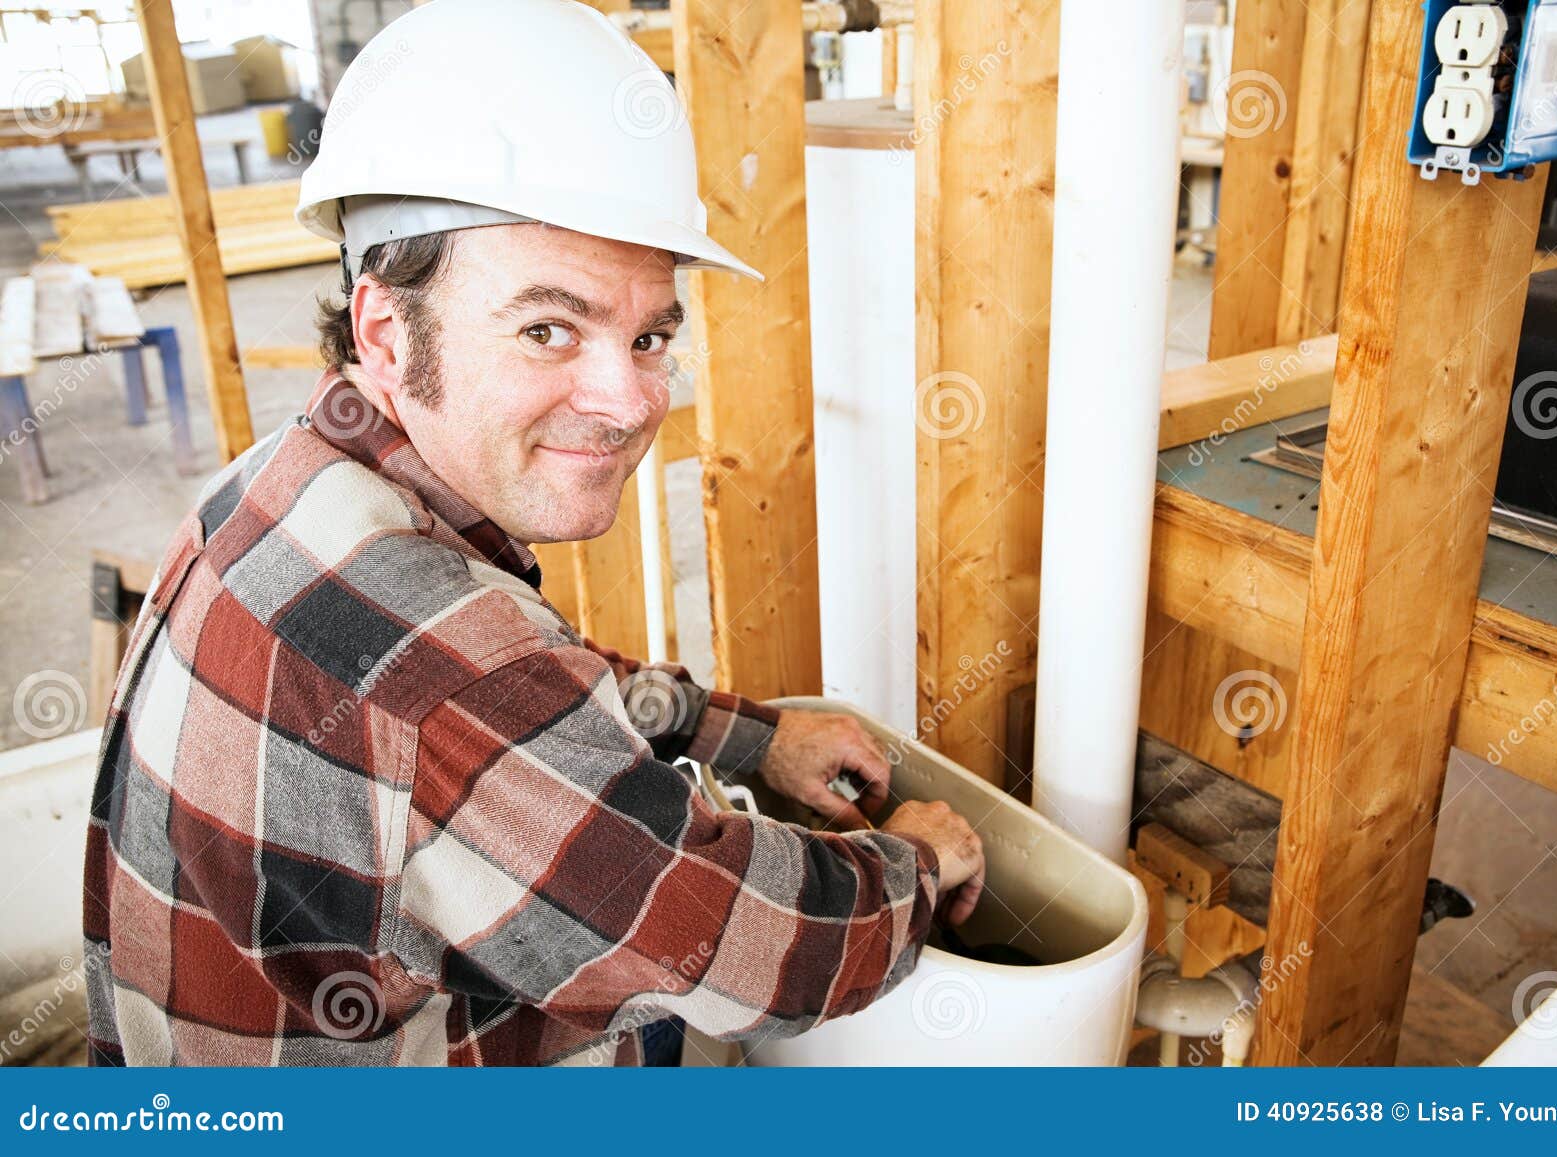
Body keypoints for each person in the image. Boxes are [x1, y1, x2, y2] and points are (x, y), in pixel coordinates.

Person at [82, 0, 984, 1067]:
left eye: (648, 337)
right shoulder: (444, 680)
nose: (628, 402)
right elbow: (757, 954)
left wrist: (745, 737)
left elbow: (522, 689)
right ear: (386, 331)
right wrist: (919, 859)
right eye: (547, 328)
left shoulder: (283, 480)